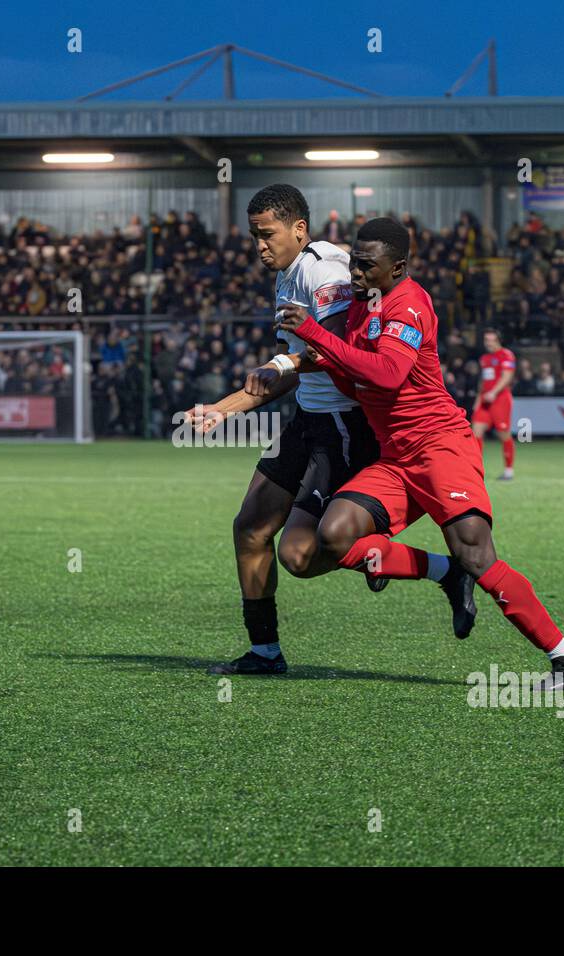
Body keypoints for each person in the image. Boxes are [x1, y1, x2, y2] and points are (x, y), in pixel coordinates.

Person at [264, 218, 564, 691]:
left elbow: (388, 374)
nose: (355, 272)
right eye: (353, 261)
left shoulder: (409, 303)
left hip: (439, 447)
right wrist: (297, 358)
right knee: (333, 537)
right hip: (395, 458)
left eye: (366, 265)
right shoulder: (361, 306)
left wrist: (315, 335)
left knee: (477, 554)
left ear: (397, 267)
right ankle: (444, 571)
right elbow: (350, 371)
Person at [187, 185, 382, 676]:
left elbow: (338, 348)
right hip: (306, 420)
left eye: (267, 234)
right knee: (250, 527)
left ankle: (401, 559)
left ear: (299, 229)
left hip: (344, 424)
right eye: (254, 236)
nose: (259, 245)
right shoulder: (285, 279)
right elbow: (284, 372)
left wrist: (280, 364)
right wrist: (223, 409)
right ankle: (265, 652)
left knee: (301, 554)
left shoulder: (326, 271)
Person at [472, 328, 518, 480]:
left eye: (492, 340)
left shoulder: (506, 355)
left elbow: (507, 377)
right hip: (485, 400)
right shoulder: (484, 358)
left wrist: (494, 392)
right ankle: (476, 470)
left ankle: (508, 471)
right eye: (487, 340)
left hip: (501, 399)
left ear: (499, 340)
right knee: (476, 432)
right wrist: (478, 400)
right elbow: (483, 381)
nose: (489, 343)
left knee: (503, 434)